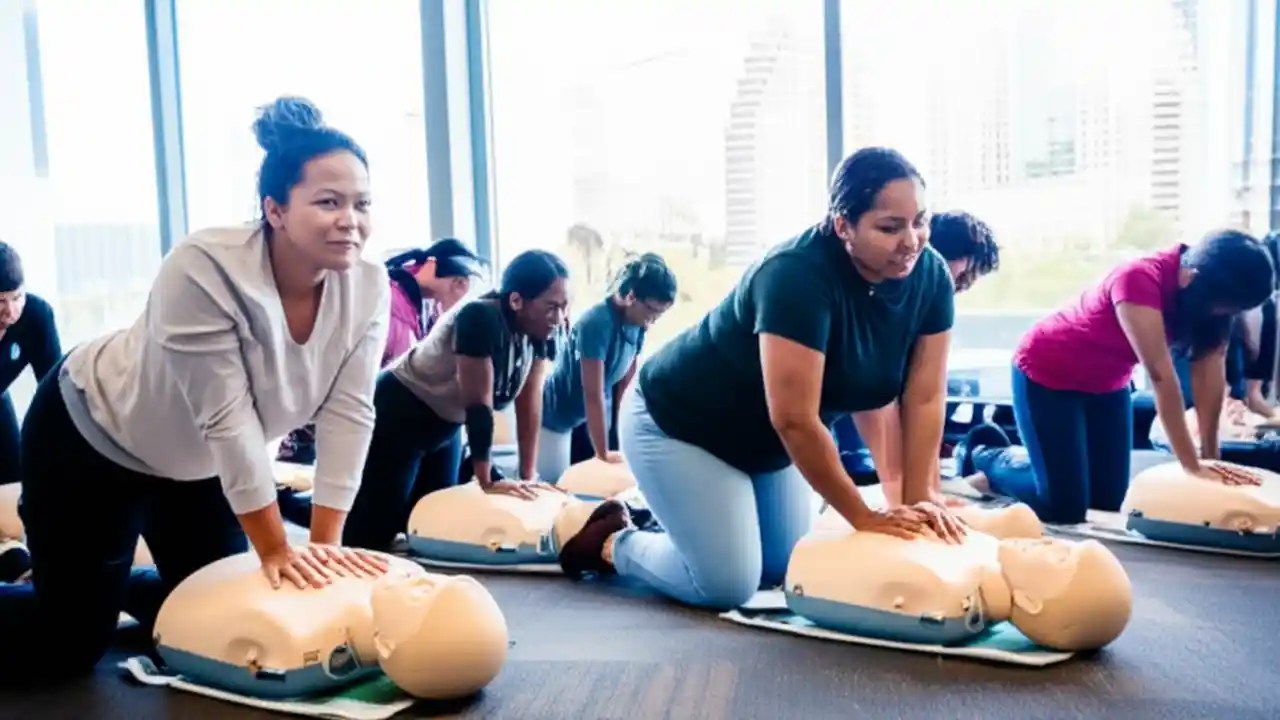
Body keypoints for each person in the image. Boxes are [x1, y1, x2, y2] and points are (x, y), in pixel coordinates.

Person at [0, 97, 390, 683]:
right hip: (92, 438)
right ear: (275, 210)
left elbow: (350, 414)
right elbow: (227, 419)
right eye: (328, 202)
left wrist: (322, 553)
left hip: (196, 468)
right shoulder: (205, 265)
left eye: (362, 203)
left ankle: (111, 584)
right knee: (70, 644)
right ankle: (76, 591)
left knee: (238, 616)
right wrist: (278, 548)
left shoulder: (368, 284)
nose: (350, 220)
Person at [556, 147, 966, 610]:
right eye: (890, 227)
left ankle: (680, 521)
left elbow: (925, 398)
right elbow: (794, 418)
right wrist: (864, 516)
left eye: (920, 221)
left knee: (781, 568)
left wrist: (918, 502)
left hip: (768, 444)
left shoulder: (929, 276)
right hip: (682, 423)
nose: (911, 240)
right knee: (725, 586)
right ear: (843, 226)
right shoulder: (795, 276)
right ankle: (616, 540)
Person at [1001, 229, 1273, 525]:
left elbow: (1209, 374)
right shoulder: (1139, 279)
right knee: (1064, 508)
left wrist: (1211, 457)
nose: (1224, 315)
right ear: (1193, 280)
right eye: (1224, 307)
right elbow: (1161, 377)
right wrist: (1192, 466)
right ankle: (984, 454)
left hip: (1107, 383)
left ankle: (1046, 464)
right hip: (1049, 370)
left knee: (1107, 502)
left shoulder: (1209, 290)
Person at [343, 250, 570, 552]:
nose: (559, 317)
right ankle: (289, 502)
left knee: (428, 527)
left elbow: (529, 402)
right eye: (551, 307)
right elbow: (479, 404)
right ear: (516, 301)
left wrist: (528, 475)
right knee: (371, 535)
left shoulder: (544, 329)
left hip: (446, 425)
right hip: (400, 411)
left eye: (564, 307)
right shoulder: (479, 317)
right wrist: (486, 478)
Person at [275, 237, 487, 465]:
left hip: (362, 429)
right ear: (432, 266)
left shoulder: (425, 309)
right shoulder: (389, 300)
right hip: (329, 432)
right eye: (458, 283)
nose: (462, 293)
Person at [834, 210, 1000, 499]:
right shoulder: (889, 292)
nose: (963, 285)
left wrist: (925, 490)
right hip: (846, 431)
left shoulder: (924, 300)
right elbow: (880, 397)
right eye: (965, 273)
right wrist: (913, 492)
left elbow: (923, 399)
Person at [537, 253, 677, 483]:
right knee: (555, 484)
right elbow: (592, 394)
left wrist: (621, 441)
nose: (654, 319)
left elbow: (625, 385)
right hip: (556, 417)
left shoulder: (638, 323)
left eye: (660, 314)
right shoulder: (596, 323)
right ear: (631, 297)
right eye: (652, 310)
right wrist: (602, 454)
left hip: (590, 416)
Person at [0, 242, 62, 486]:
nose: (11, 311)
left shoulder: (37, 316)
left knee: (16, 476)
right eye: (1, 301)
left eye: (17, 297)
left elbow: (54, 388)